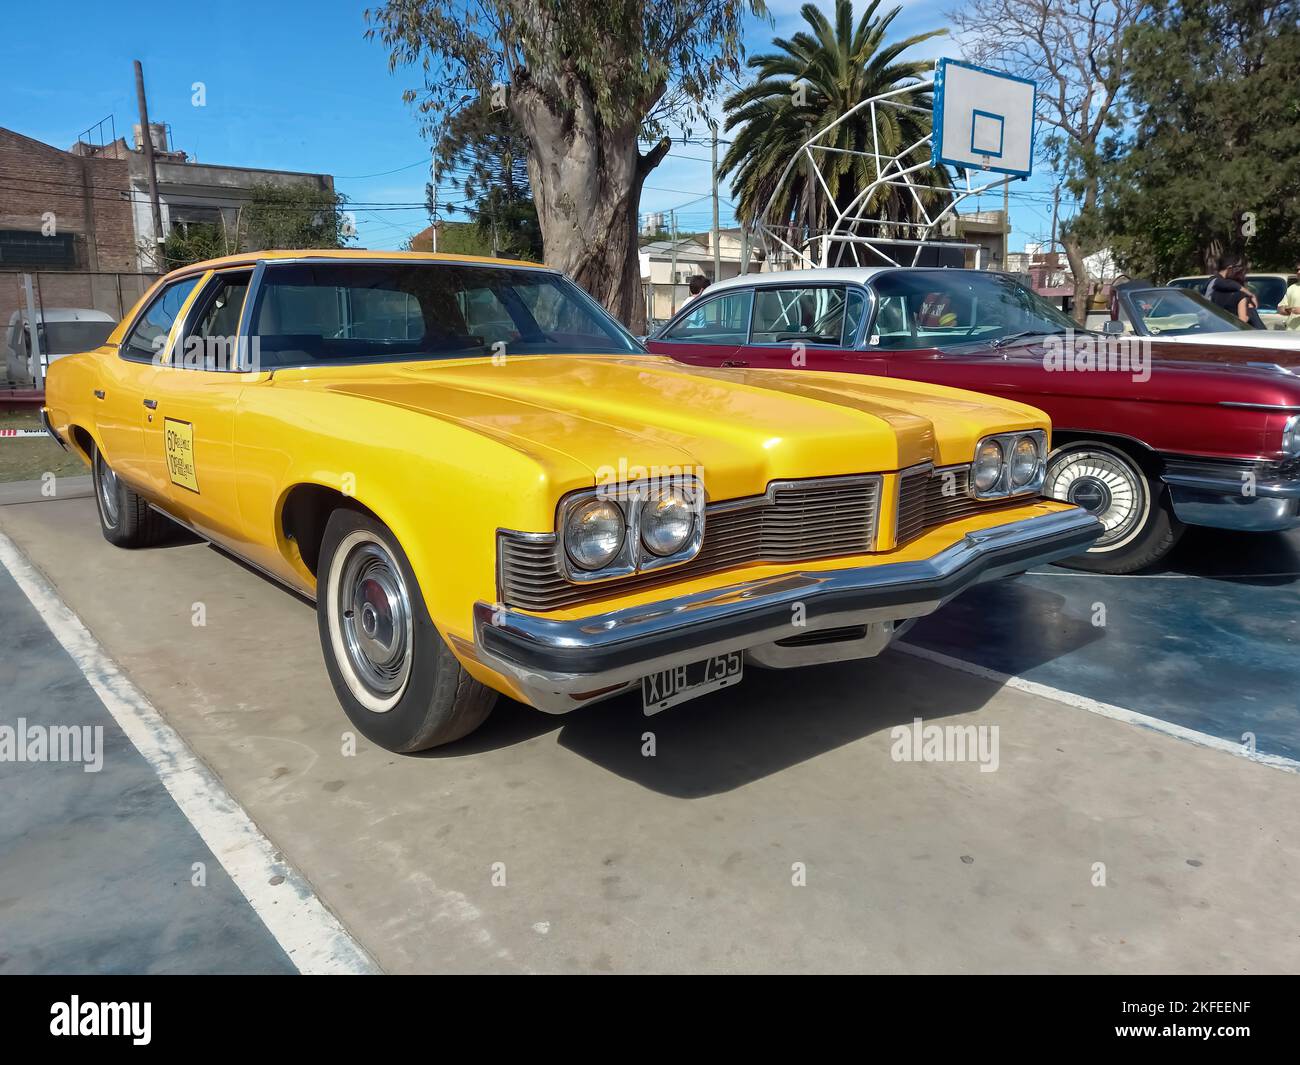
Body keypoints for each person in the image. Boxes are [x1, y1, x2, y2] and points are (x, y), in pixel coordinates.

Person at [1206, 256, 1266, 328]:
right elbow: (1243, 319)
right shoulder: (1215, 281)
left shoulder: (1223, 286)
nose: (1238, 271)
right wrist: (1250, 295)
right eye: (1237, 268)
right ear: (1230, 268)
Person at [1278, 263, 1300, 332]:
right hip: (1291, 332)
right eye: (1297, 270)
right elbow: (1280, 308)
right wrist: (1284, 310)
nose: (1298, 272)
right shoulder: (1292, 288)